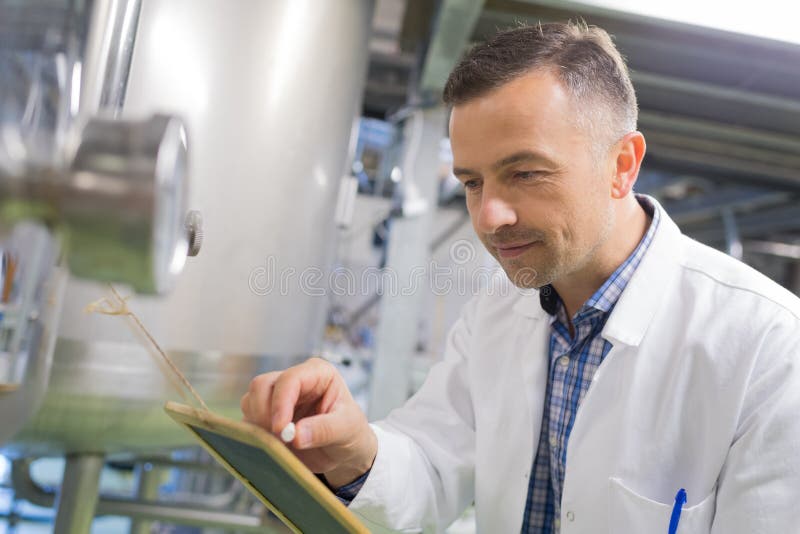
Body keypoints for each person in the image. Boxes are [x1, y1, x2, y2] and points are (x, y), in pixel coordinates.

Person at [240, 21, 800, 533]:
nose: (488, 217)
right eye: (472, 182)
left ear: (622, 165)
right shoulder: (500, 310)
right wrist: (353, 451)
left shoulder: (769, 350)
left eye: (525, 173)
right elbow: (432, 467)